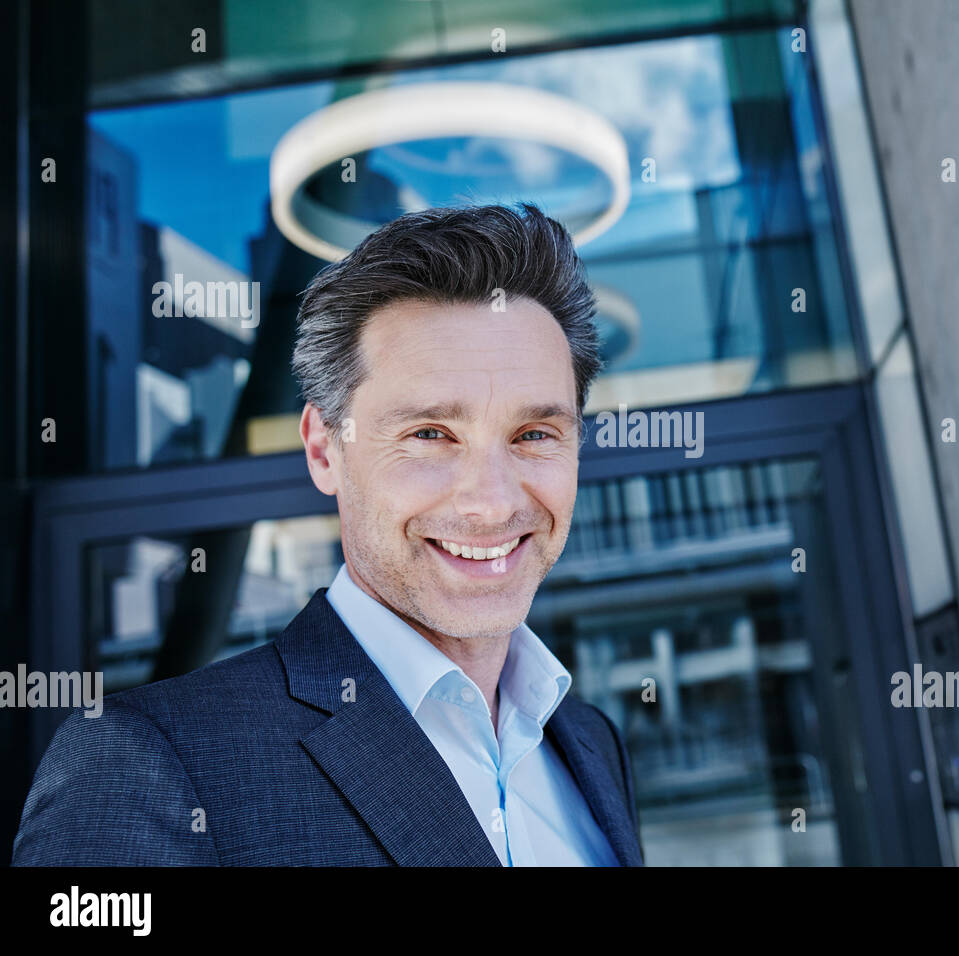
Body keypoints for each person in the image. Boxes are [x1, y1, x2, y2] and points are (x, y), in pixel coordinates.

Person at [12, 203, 642, 866]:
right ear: (322, 451)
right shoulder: (149, 765)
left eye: (534, 435)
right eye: (430, 435)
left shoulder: (590, 744)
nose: (491, 503)